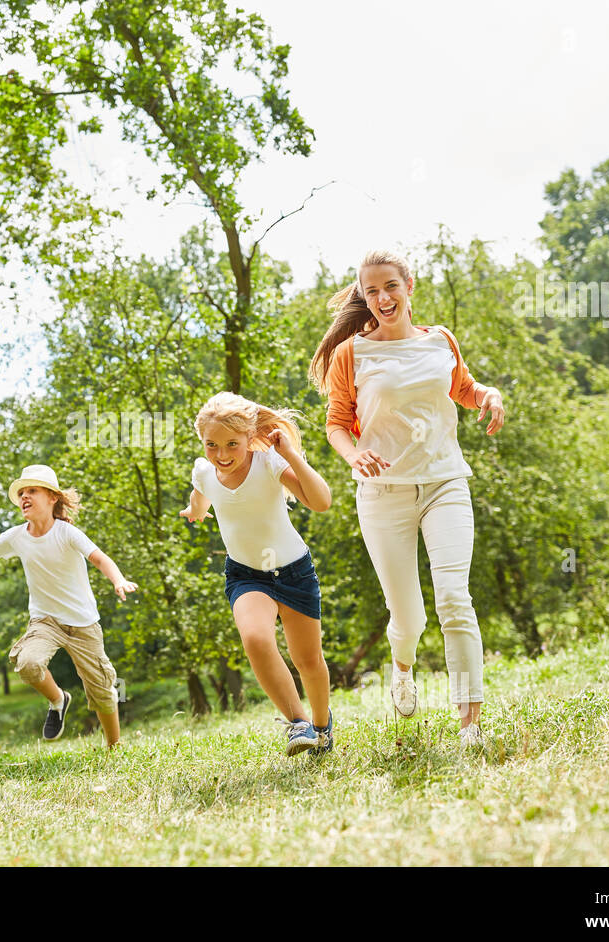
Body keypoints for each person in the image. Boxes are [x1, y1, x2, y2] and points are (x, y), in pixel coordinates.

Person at [309, 250, 505, 747]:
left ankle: (470, 724)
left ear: (409, 285)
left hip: (445, 483)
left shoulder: (441, 340)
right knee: (409, 617)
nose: (382, 298)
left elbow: (461, 386)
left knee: (455, 598)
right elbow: (336, 423)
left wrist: (488, 396)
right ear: (363, 296)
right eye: (371, 291)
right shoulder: (351, 353)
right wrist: (354, 456)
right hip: (382, 494)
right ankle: (402, 667)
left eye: (390, 286)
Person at [0, 465, 133, 747]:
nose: (24, 496)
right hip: (45, 621)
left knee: (102, 690)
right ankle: (58, 699)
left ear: (52, 498)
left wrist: (118, 579)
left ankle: (114, 746)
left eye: (32, 491)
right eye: (22, 492)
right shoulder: (17, 536)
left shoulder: (67, 533)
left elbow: (99, 558)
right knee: (28, 664)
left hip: (83, 623)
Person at [179, 393, 335, 757]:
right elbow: (201, 497)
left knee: (308, 661)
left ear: (250, 438)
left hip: (294, 571)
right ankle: (298, 723)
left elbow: (322, 501)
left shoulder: (269, 463)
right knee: (255, 639)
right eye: (212, 444)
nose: (222, 454)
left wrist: (290, 454)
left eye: (232, 443)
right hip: (247, 575)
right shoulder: (204, 471)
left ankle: (323, 727)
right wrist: (194, 511)